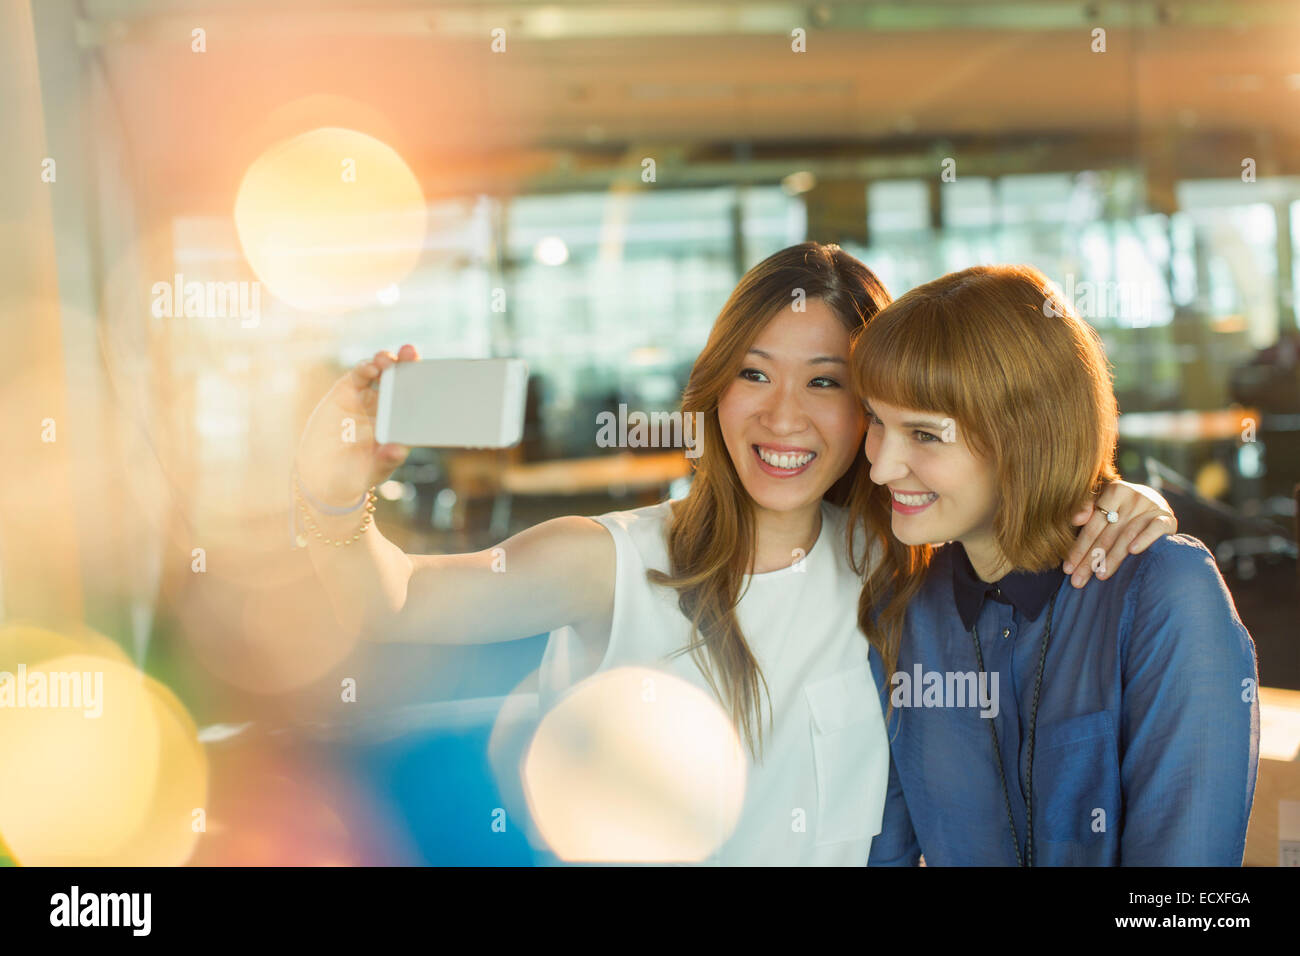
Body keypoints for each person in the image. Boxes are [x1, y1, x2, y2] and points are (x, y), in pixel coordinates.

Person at [293, 244, 1175, 865]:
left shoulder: (902, 569)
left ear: (874, 406)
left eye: (825, 381)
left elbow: (1011, 508)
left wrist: (1119, 499)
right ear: (715, 389)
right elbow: (397, 603)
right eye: (753, 374)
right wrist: (333, 490)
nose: (782, 416)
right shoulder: (617, 562)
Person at [853, 264, 1259, 866]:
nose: (882, 466)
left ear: (1027, 436)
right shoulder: (901, 614)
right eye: (875, 421)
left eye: (924, 435)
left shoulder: (1165, 594)